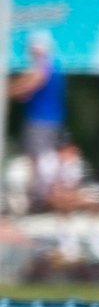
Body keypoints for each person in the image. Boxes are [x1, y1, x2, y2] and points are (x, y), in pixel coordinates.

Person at [10, 31, 66, 209]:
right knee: (41, 159)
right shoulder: (53, 64)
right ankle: (44, 197)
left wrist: (8, 91)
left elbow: (31, 83)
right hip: (48, 118)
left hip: (40, 119)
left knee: (41, 159)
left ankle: (44, 198)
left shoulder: (44, 65)